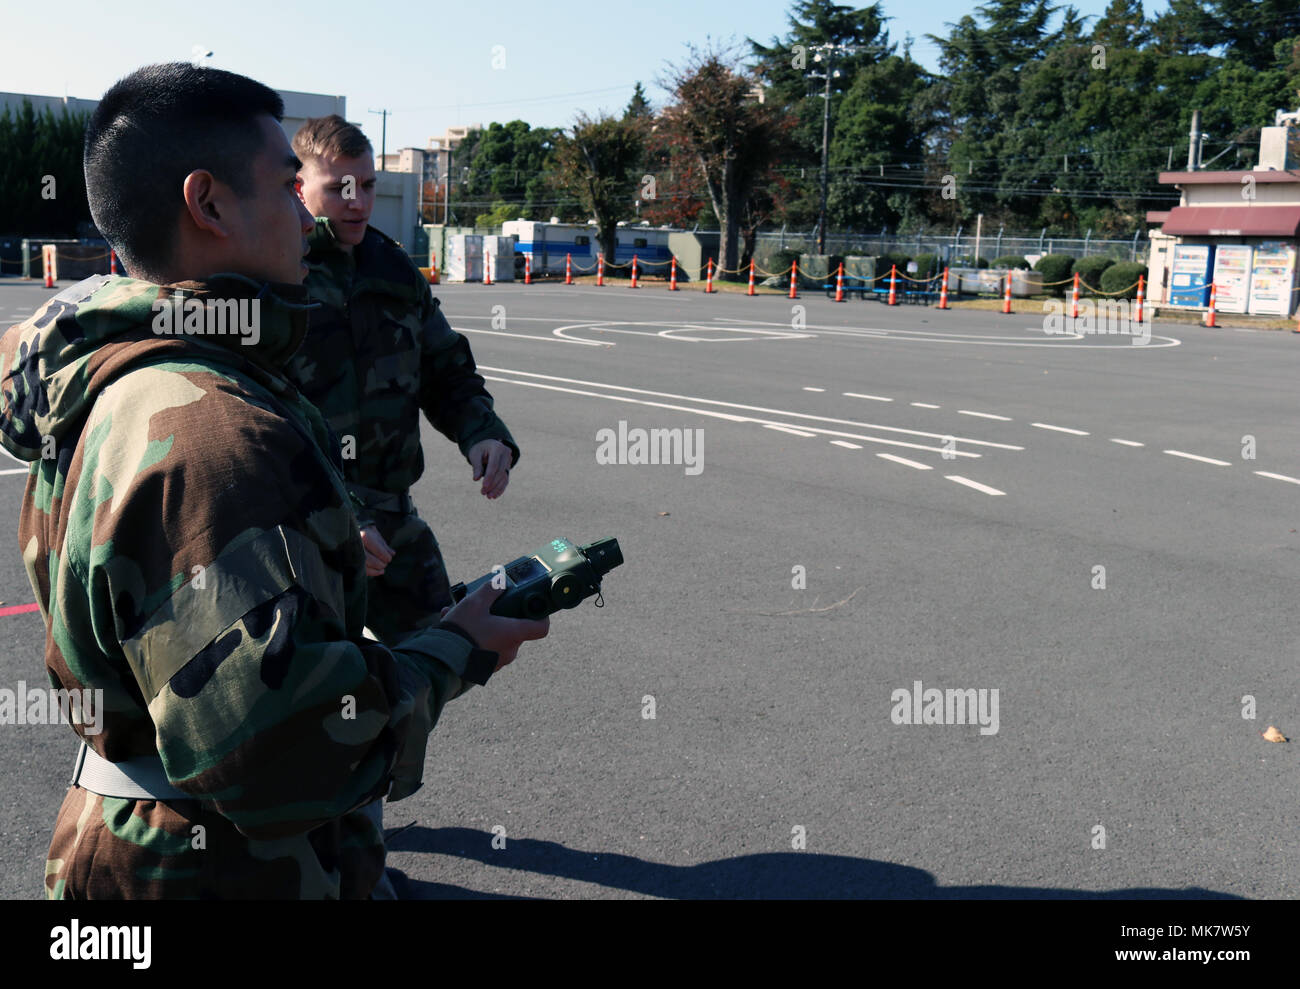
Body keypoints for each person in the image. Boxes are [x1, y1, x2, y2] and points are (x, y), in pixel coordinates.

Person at [0, 62, 547, 900]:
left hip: (150, 846)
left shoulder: (124, 372)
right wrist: (456, 649)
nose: (310, 214)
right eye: (292, 188)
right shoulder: (211, 436)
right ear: (209, 204)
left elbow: (444, 368)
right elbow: (294, 754)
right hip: (218, 870)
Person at [286, 115, 518, 646]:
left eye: (367, 186)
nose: (358, 202)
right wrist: (338, 514)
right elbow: (257, 417)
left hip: (392, 523)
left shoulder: (393, 271)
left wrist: (482, 433)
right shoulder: (278, 277)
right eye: (340, 188)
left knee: (441, 651)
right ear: (299, 189)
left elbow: (445, 369)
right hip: (303, 526)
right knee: (310, 688)